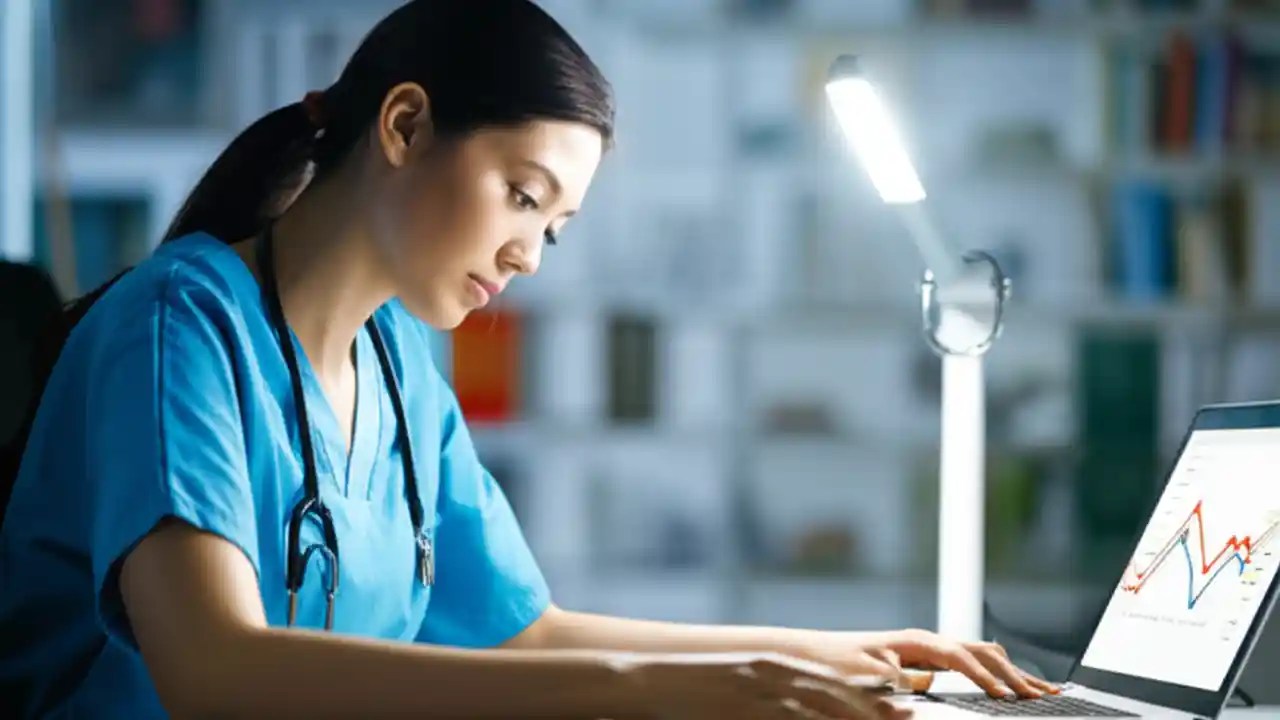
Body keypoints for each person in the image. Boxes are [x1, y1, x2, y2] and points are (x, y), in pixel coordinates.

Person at [0, 1, 1058, 718]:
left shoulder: (400, 365)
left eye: (553, 228)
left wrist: (841, 653)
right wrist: (664, 690)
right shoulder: (176, 328)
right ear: (405, 125)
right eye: (521, 195)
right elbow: (216, 673)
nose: (527, 253)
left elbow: (525, 632)